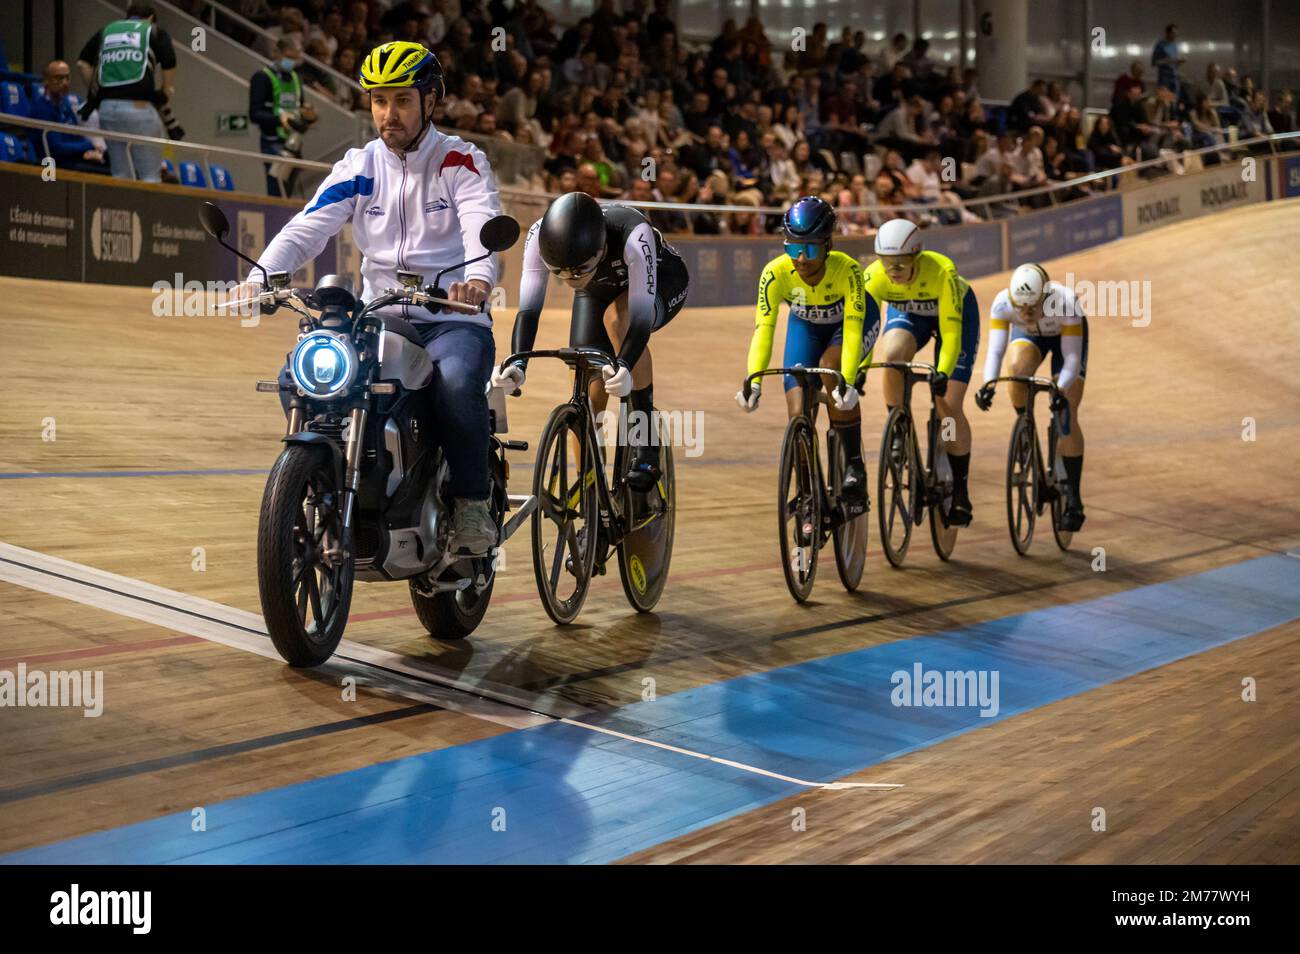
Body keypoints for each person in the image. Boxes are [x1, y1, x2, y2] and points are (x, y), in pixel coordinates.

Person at [242, 41, 504, 555]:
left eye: (402, 100)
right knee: (297, 377)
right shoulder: (359, 165)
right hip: (380, 316)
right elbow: (307, 226)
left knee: (453, 387)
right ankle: (332, 474)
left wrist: (477, 278)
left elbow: (481, 222)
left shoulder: (460, 160)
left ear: (431, 101)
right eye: (379, 101)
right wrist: (261, 275)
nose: (389, 114)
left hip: (451, 317)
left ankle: (473, 505)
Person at [500, 192, 690, 491]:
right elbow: (529, 311)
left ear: (600, 249)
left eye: (576, 271)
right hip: (598, 285)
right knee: (587, 384)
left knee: (618, 319)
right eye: (560, 273)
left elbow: (639, 319)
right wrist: (518, 363)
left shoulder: (633, 234)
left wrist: (624, 365)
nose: (569, 279)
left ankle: (645, 440)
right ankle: (592, 491)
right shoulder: (539, 235)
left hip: (661, 279)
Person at [735, 196, 877, 506]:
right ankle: (806, 488)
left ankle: (854, 465)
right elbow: (764, 329)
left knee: (831, 367)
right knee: (797, 404)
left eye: (810, 249)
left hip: (852, 324)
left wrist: (848, 379)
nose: (801, 259)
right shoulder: (775, 273)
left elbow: (853, 328)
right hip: (807, 327)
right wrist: (753, 381)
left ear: (828, 245)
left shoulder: (847, 269)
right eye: (792, 248)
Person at [866, 218, 980, 525]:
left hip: (954, 315)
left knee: (949, 405)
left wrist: (943, 371)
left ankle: (960, 489)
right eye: (887, 264)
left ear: (916, 256)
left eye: (901, 264)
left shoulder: (942, 271)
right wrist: (859, 369)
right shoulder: (874, 277)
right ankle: (898, 427)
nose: (893, 271)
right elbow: (863, 328)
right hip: (909, 314)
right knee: (892, 355)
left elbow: (952, 334)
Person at [976, 264, 1088, 530]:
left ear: (1045, 297)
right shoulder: (1003, 303)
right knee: (1016, 371)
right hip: (1030, 339)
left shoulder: (1065, 303)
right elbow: (995, 352)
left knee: (1065, 414)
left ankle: (1074, 498)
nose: (1025, 314)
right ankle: (1024, 427)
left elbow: (1072, 358)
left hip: (1065, 340)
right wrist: (988, 385)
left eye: (1032, 307)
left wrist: (1060, 390)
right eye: (1020, 307)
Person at [75, 0, 176, 182]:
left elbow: (82, 63)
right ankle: (148, 210)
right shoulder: (153, 31)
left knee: (121, 174)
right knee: (150, 176)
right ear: (152, 18)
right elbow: (169, 61)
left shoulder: (107, 31)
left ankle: (122, 210)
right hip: (139, 109)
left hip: (107, 110)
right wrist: (166, 90)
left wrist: (96, 91)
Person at [249, 35, 319, 197]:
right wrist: (279, 120)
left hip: (294, 142)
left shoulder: (296, 78)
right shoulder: (262, 77)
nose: (291, 62)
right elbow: (254, 114)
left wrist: (309, 115)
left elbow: (299, 107)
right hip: (273, 142)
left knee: (289, 193)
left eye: (295, 58)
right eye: (288, 57)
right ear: (277, 53)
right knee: (277, 192)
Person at [28, 60, 108, 173]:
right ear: (46, 81)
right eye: (58, 78)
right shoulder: (42, 110)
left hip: (74, 157)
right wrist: (88, 146)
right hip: (55, 165)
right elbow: (56, 148)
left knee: (109, 158)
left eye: (67, 78)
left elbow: (77, 136)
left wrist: (90, 151)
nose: (64, 83)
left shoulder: (65, 105)